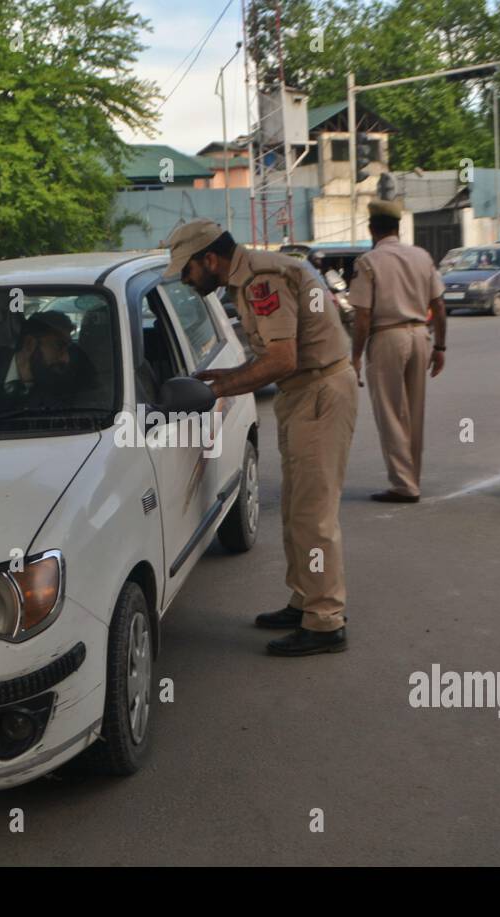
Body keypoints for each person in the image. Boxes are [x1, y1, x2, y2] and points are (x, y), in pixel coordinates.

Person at [165, 218, 357, 657]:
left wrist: (216, 389)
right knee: (296, 508)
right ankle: (305, 600)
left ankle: (325, 621)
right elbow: (278, 354)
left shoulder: (259, 280)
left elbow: (281, 360)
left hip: (318, 393)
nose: (185, 278)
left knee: (313, 514)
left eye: (188, 269)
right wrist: (230, 376)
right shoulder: (249, 277)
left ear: (209, 258)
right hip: (307, 392)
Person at [347, 198, 447, 503]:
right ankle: (411, 479)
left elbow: (362, 317)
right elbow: (439, 307)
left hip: (387, 337)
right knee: (414, 412)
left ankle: (404, 486)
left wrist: (355, 355)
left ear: (371, 229)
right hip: (420, 335)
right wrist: (440, 346)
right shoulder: (421, 256)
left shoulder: (368, 262)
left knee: (391, 413)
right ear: (398, 228)